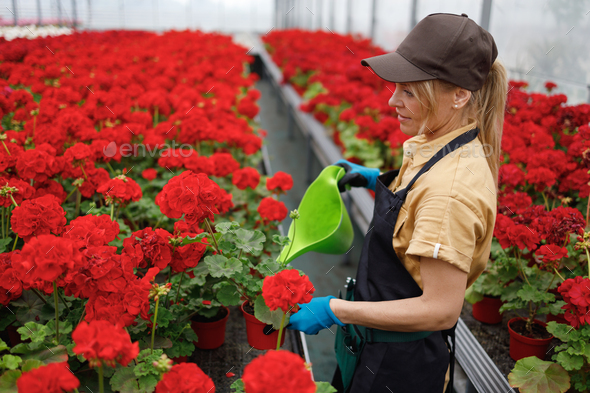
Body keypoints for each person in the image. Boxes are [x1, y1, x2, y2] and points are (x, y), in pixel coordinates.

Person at [287, 13, 507, 393]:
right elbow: (421, 193)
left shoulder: (450, 193)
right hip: (376, 345)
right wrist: (377, 179)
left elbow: (440, 309)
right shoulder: (444, 140)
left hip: (396, 370)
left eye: (409, 91)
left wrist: (334, 310)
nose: (393, 101)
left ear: (460, 95)